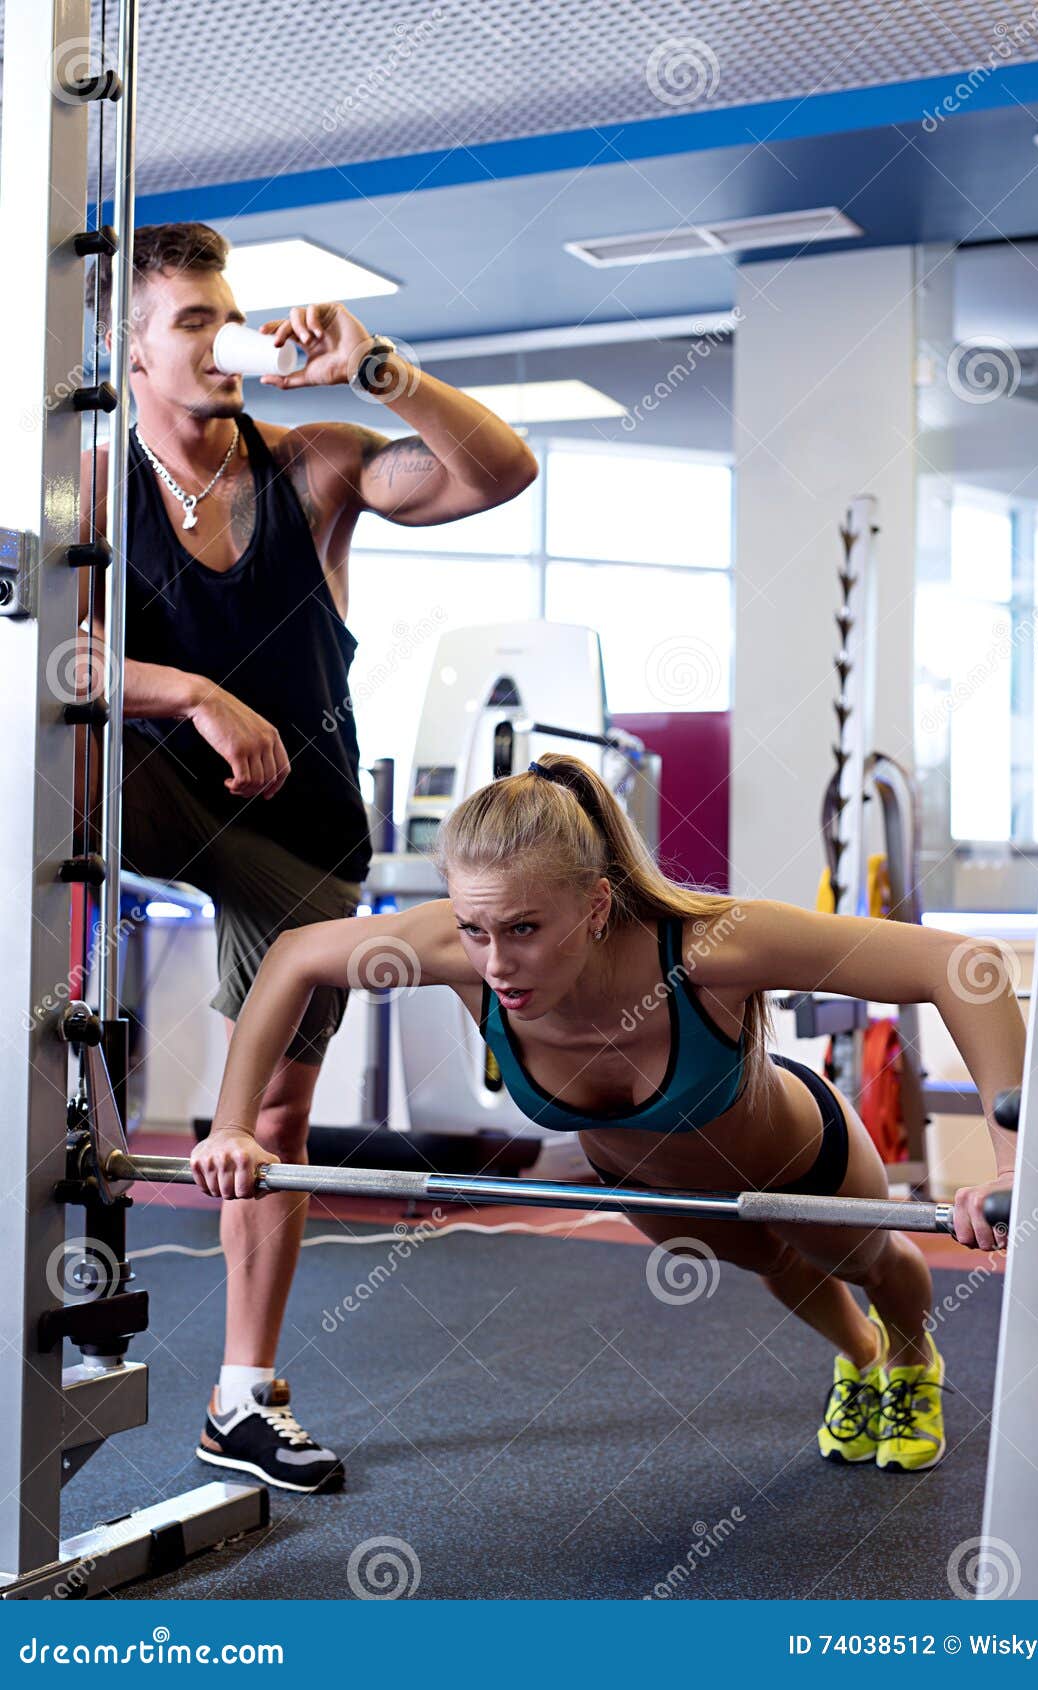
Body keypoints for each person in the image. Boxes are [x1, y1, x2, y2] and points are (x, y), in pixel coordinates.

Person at [191, 753, 1024, 1479]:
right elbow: (297, 956)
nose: (496, 962)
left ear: (594, 906)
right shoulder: (456, 948)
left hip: (798, 1156)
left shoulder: (706, 947)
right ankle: (864, 1359)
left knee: (864, 1260)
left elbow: (963, 966)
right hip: (657, 1192)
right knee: (773, 1263)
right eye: (474, 928)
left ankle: (912, 1357)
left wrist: (1010, 1162)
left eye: (523, 928)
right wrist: (232, 1123)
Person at [76, 221, 537, 1495]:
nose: (219, 340)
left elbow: (501, 473)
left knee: (274, 1118)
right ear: (126, 347)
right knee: (57, 742)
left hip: (301, 832)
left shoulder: (312, 466)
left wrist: (379, 368)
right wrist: (190, 692)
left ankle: (240, 1398)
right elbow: (59, 663)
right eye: (189, 322)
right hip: (157, 793)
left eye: (227, 315)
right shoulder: (90, 495)